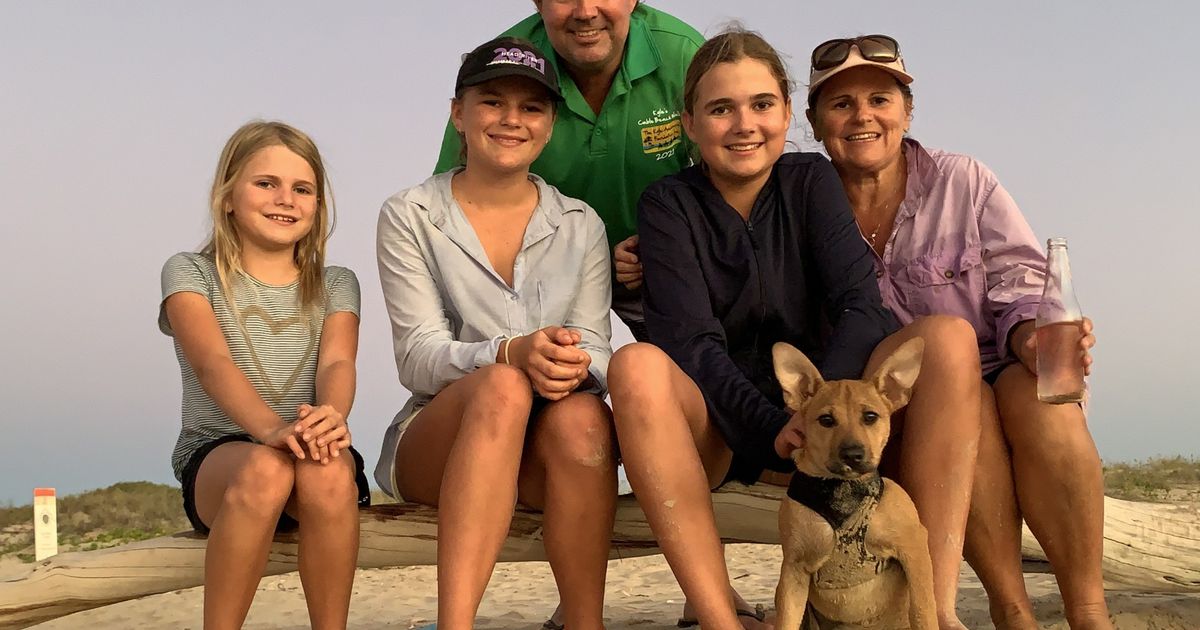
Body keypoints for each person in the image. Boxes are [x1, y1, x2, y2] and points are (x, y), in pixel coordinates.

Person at [608, 29, 982, 630]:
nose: (744, 125)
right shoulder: (667, 205)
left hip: (820, 423)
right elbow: (689, 345)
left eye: (761, 105)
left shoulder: (810, 181)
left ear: (786, 112)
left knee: (946, 339)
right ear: (689, 123)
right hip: (720, 430)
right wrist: (772, 427)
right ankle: (717, 616)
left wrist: (818, 416)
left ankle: (933, 611)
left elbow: (862, 304)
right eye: (720, 109)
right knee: (636, 365)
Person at [804, 35, 1108, 629]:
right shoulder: (804, 202)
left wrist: (1031, 338)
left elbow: (1024, 280)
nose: (862, 115)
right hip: (904, 402)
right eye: (841, 104)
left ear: (907, 112)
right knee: (961, 392)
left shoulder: (964, 179)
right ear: (815, 123)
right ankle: (1011, 609)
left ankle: (1090, 613)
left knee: (1049, 406)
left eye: (879, 98)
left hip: (1000, 365)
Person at [375, 37, 616, 630]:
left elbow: (599, 349)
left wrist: (572, 363)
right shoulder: (409, 213)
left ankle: (585, 621)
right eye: (492, 101)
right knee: (503, 387)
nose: (511, 120)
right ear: (458, 113)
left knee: (586, 416)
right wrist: (509, 354)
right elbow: (418, 359)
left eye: (531, 107)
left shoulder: (582, 224)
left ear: (550, 124)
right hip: (436, 437)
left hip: (546, 447)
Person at [159, 120, 369, 629]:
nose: (285, 199)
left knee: (324, 469)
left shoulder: (337, 282)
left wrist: (329, 418)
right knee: (267, 468)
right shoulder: (190, 273)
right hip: (221, 455)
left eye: (302, 189)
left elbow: (338, 362)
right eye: (265, 183)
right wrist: (272, 431)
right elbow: (214, 363)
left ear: (317, 204)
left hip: (311, 446)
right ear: (228, 195)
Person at [434, 0, 704, 341]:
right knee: (534, 382)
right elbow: (453, 200)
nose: (585, 11)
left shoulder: (683, 54)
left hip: (652, 268)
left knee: (689, 374)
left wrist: (669, 241)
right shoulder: (507, 64)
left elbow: (724, 177)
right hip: (541, 276)